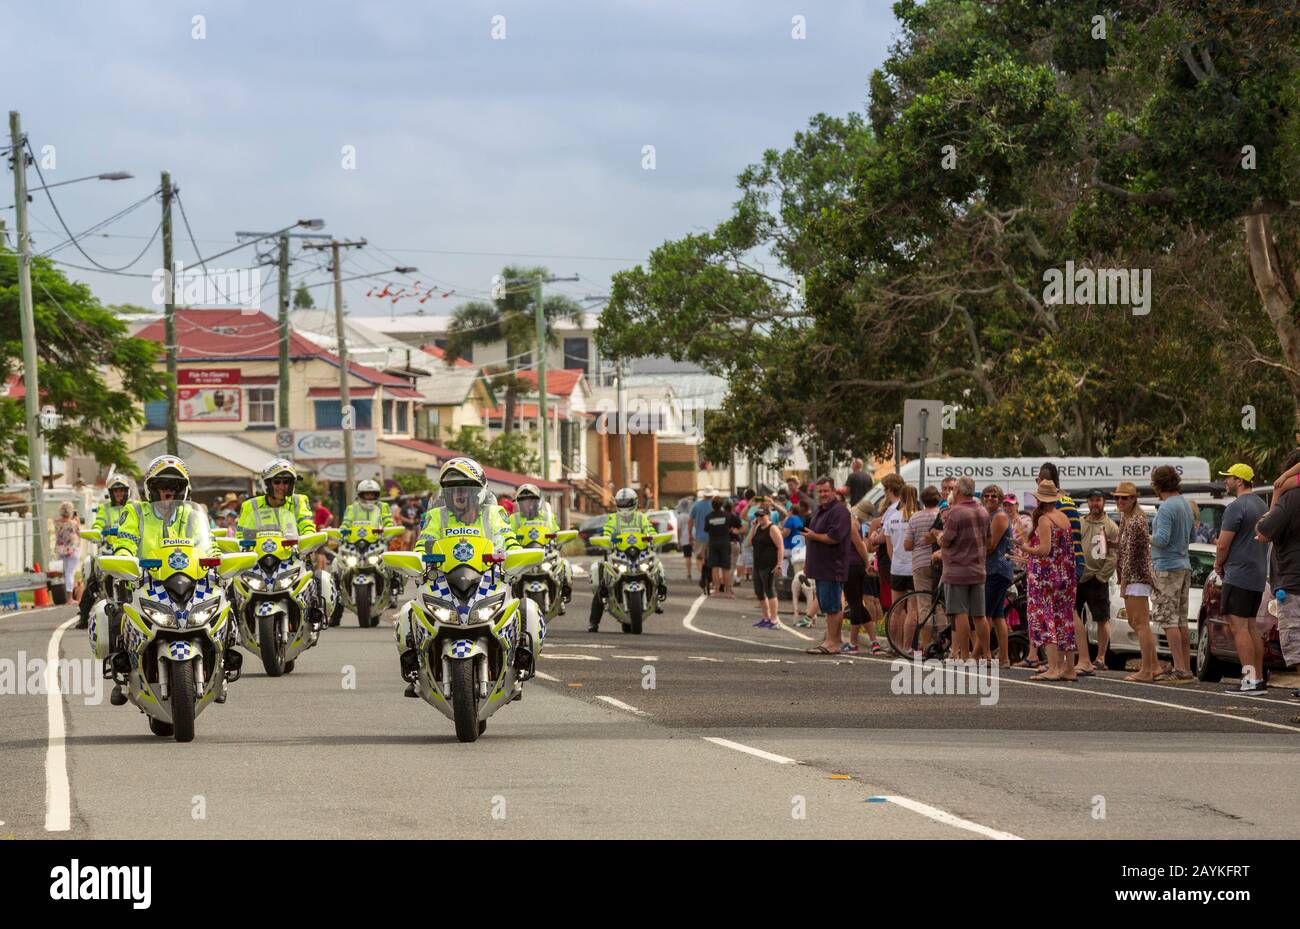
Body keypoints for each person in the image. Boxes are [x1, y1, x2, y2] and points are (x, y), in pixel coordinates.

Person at [401, 457, 536, 694]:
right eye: (453, 490)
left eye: (466, 489)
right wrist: (419, 559)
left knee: (527, 608)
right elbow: (424, 543)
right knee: (408, 612)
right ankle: (414, 666)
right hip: (444, 580)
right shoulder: (437, 516)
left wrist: (515, 557)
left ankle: (522, 658)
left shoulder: (494, 515)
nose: (459, 494)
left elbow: (509, 540)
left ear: (479, 492)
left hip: (487, 579)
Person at [112, 456, 228, 705]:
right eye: (163, 485)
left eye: (174, 486)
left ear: (183, 490)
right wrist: (125, 560)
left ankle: (223, 668)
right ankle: (120, 675)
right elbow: (125, 542)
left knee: (225, 606)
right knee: (116, 612)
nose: (168, 491)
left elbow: (209, 546)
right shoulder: (136, 511)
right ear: (151, 488)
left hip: (189, 581)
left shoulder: (193, 515)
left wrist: (219, 563)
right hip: (147, 582)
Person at [1213, 463, 1269, 693]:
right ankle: (1257, 677)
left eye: (1229, 477)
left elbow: (1224, 542)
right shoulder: (1261, 504)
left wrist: (1218, 563)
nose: (1226, 481)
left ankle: (1249, 678)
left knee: (1239, 627)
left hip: (1239, 573)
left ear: (1240, 480)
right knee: (1251, 625)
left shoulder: (1236, 507)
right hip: (1257, 573)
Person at [1016, 479, 1077, 681]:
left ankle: (1052, 668)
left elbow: (1044, 550)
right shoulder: (1063, 517)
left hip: (1046, 576)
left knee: (1045, 619)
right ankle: (1068, 668)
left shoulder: (1044, 519)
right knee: (1064, 620)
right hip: (1065, 575)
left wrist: (1026, 549)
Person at [590, 486, 668, 629]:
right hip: (619, 554)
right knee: (603, 581)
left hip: (640, 553)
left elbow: (649, 530)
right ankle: (594, 622)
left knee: (657, 565)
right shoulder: (613, 519)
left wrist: (653, 537)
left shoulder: (641, 518)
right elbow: (607, 530)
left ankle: (659, 593)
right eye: (622, 502)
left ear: (634, 503)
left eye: (627, 502)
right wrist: (605, 539)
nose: (624, 505)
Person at [1255, 448, 1300, 693]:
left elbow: (1265, 528)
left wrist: (1277, 493)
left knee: (1295, 640)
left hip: (1293, 581)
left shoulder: (1291, 500)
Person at [1149, 464, 1195, 683]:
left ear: (1158, 485)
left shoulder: (1167, 507)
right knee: (1181, 620)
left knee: (1168, 620)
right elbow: (1192, 536)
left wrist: (1145, 536)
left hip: (1167, 567)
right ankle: (1185, 667)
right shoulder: (1185, 505)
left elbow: (1161, 539)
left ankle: (1178, 668)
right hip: (1184, 565)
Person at [938, 476, 990, 662]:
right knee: (979, 615)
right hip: (978, 569)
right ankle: (988, 654)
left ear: (957, 491)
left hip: (957, 570)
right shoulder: (983, 511)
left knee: (960, 614)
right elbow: (988, 538)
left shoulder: (955, 512)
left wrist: (939, 539)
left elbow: (946, 539)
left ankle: (965, 655)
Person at [1113, 481, 1159, 682]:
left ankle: (1146, 670)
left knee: (1141, 624)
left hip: (1137, 576)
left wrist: (1123, 582)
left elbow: (1132, 554)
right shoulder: (1127, 518)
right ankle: (1154, 666)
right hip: (1131, 576)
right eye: (1117, 497)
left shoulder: (1137, 520)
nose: (1120, 501)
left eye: (1124, 497)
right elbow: (1124, 547)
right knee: (1135, 622)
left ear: (1133, 499)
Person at [804, 477, 851, 655]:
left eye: (826, 491)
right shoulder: (820, 510)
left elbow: (834, 537)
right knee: (830, 606)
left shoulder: (839, 512)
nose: (823, 494)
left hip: (832, 567)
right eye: (820, 491)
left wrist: (813, 536)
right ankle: (833, 640)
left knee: (832, 607)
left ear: (833, 491)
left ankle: (831, 642)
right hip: (820, 567)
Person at [509, 482, 572, 613]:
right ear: (519, 504)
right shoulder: (514, 519)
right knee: (507, 576)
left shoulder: (547, 516)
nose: (528, 504)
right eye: (524, 501)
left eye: (532, 500)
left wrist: (559, 538)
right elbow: (506, 534)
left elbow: (556, 533)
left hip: (545, 553)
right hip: (523, 555)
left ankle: (563, 595)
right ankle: (510, 602)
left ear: (539, 502)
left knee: (564, 565)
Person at [1077, 490, 1119, 670]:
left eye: (1098, 500)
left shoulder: (1110, 526)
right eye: (1092, 500)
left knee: (1102, 618)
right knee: (1073, 616)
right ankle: (1076, 654)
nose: (1095, 504)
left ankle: (1101, 657)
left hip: (1098, 578)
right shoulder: (1080, 523)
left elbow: (1113, 555)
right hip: (1079, 577)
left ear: (1104, 502)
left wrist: (1102, 577)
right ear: (1087, 502)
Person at [904, 485, 941, 658]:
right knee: (941, 604)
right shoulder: (941, 515)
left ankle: (926, 646)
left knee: (924, 605)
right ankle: (944, 644)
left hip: (919, 563)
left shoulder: (915, 518)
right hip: (939, 562)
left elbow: (907, 545)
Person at [842, 501, 883, 653]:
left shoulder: (851, 523)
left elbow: (860, 545)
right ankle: (874, 642)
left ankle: (853, 644)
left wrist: (867, 563)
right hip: (856, 565)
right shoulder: (856, 523)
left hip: (851, 566)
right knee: (858, 604)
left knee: (854, 605)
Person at [982, 485, 1014, 667]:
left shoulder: (1000, 516)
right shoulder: (991, 516)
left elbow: (991, 546)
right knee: (997, 615)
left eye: (994, 496)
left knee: (985, 614)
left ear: (1000, 498)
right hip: (995, 569)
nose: (989, 498)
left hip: (996, 568)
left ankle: (985, 655)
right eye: (986, 495)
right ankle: (1003, 657)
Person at [747, 507, 785, 628]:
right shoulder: (758, 528)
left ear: (768, 515)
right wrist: (753, 527)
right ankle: (765, 617)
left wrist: (779, 564)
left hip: (769, 565)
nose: (760, 518)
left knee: (770, 590)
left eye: (762, 516)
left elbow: (780, 547)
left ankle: (774, 620)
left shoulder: (773, 528)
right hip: (758, 564)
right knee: (759, 591)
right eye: (758, 516)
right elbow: (748, 543)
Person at [704, 496, 742, 599]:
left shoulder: (709, 517)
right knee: (726, 568)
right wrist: (730, 528)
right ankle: (728, 592)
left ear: (712, 505)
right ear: (722, 505)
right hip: (725, 542)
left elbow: (706, 529)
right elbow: (738, 523)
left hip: (713, 543)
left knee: (715, 568)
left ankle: (716, 591)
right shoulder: (727, 515)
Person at [54, 503, 82, 605]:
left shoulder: (56, 522)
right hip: (72, 550)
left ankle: (66, 597)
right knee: (70, 573)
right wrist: (77, 519)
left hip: (61, 549)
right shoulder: (73, 524)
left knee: (65, 574)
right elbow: (79, 532)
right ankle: (69, 598)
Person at [689, 491, 715, 593]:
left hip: (700, 536)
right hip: (713, 536)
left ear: (704, 495)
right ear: (712, 495)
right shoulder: (714, 505)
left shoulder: (697, 505)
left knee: (699, 557)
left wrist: (690, 534)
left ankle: (702, 576)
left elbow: (690, 520)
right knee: (712, 558)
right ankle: (710, 578)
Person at [676, 497, 695, 580]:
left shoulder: (680, 517)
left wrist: (678, 541)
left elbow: (679, 530)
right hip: (694, 537)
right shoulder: (691, 515)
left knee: (688, 556)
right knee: (699, 556)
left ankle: (689, 573)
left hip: (684, 539)